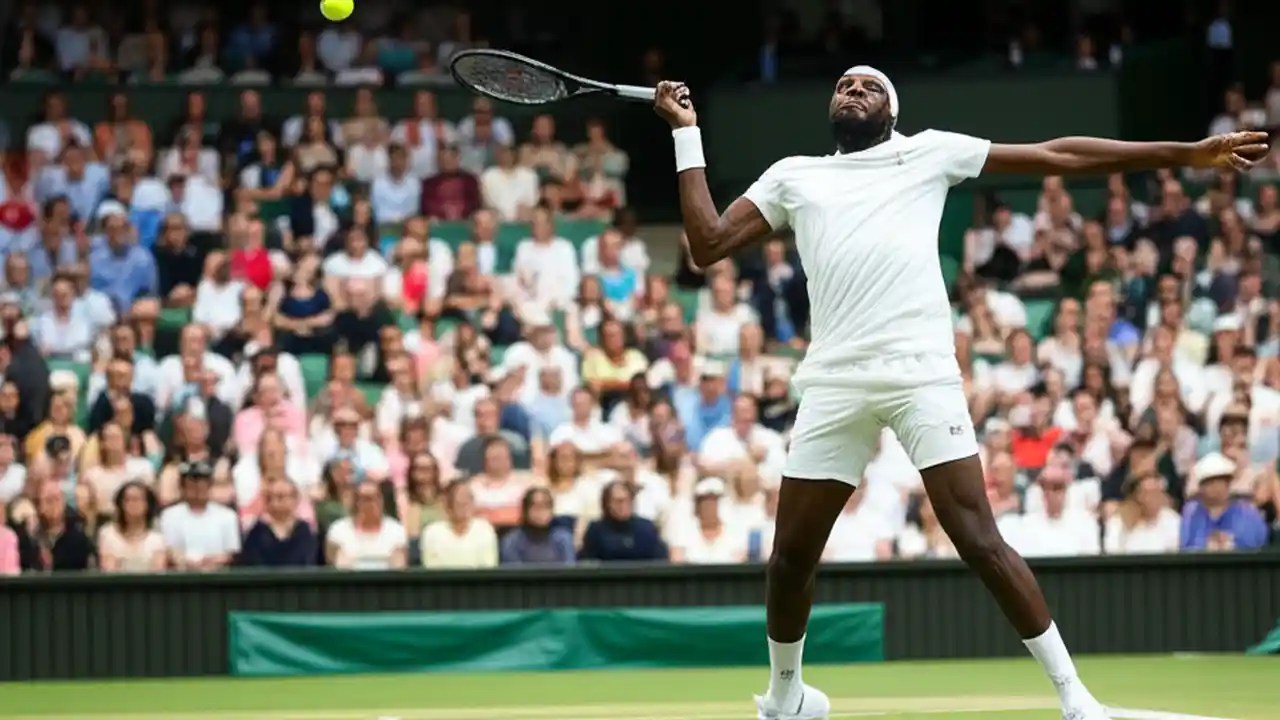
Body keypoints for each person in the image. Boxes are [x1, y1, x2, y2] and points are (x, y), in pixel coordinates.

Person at [651, 67, 1270, 720]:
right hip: (834, 380)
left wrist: (1187, 153)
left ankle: (1077, 700)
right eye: (842, 84)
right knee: (788, 561)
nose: (852, 89)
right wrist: (687, 135)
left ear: (893, 111)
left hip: (922, 375)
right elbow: (707, 242)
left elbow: (1058, 154)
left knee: (978, 538)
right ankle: (787, 697)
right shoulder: (793, 175)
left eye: (868, 86)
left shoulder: (928, 152)